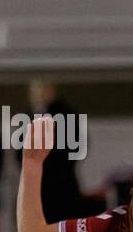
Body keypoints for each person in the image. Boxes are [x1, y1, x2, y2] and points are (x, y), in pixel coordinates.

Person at [15, 79, 85, 223]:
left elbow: (76, 145)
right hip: (39, 183)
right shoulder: (28, 115)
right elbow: (19, 149)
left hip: (61, 183)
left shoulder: (65, 114)